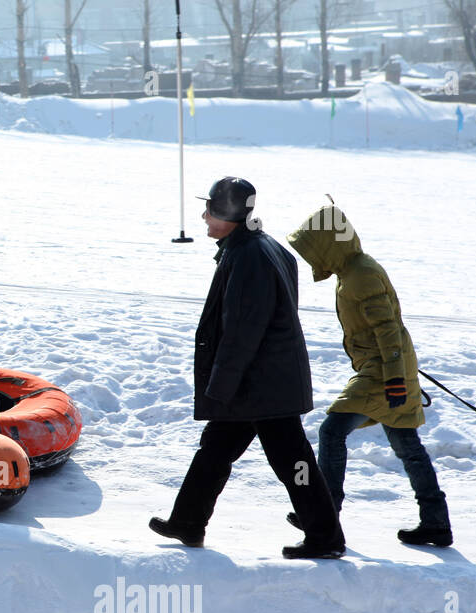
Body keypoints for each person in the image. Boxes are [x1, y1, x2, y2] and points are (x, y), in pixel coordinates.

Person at [149, 177, 347, 560]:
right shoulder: (260, 246)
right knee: (215, 450)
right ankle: (187, 521)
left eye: (210, 209)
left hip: (260, 385)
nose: (204, 216)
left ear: (228, 214)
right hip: (260, 381)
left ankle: (325, 536)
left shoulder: (248, 256)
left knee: (294, 462)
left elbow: (243, 329)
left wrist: (221, 385)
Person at [287, 205, 452, 547]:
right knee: (407, 445)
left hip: (382, 373)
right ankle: (435, 521)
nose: (310, 259)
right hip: (387, 368)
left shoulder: (360, 275)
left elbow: (387, 328)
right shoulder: (352, 270)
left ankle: (324, 514)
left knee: (332, 430)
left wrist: (394, 377)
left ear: (329, 244)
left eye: (313, 249)